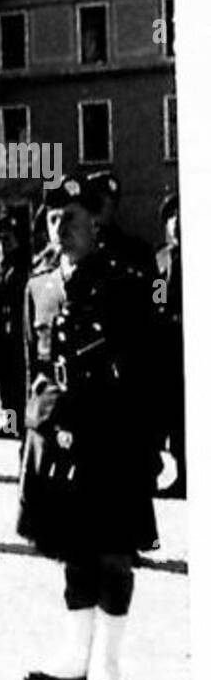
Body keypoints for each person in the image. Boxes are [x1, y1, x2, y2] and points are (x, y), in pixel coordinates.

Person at [19, 177, 160, 680]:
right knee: (71, 550)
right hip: (58, 436)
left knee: (114, 552)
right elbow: (29, 362)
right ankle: (75, 656)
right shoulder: (39, 284)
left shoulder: (128, 280)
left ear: (94, 220)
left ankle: (108, 662)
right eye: (54, 220)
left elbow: (153, 362)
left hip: (114, 432)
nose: (62, 229)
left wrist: (152, 439)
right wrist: (29, 423)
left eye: (72, 218)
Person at [0, 214, 29, 438]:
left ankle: (17, 423)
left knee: (15, 383)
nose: (4, 244)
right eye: (1, 240)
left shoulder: (23, 265)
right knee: (4, 383)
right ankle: (10, 423)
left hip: (16, 332)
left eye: (8, 239)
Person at [153, 192, 184, 498]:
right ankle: (181, 473)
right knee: (173, 415)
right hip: (169, 349)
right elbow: (157, 299)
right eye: (172, 219)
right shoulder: (161, 260)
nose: (177, 224)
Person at [82, 170, 157, 279]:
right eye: (94, 202)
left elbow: (159, 287)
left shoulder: (139, 251)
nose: (98, 207)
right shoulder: (74, 249)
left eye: (103, 202)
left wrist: (162, 296)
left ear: (114, 206)